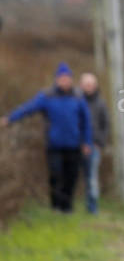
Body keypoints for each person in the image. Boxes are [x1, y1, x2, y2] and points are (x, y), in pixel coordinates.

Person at [2, 62, 92, 213]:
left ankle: (67, 207)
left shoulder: (78, 97)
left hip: (74, 144)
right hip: (55, 144)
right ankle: (55, 206)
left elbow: (86, 122)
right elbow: (28, 108)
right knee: (56, 175)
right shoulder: (47, 96)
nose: (64, 81)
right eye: (61, 78)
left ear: (71, 79)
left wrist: (87, 142)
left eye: (67, 78)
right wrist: (9, 119)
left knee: (71, 176)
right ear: (56, 79)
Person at [79, 72, 109, 215]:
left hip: (94, 146)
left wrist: (99, 143)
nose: (88, 87)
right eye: (85, 85)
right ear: (81, 86)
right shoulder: (76, 101)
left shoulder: (101, 103)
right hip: (77, 145)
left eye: (90, 85)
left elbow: (106, 125)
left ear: (95, 86)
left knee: (92, 178)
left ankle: (92, 207)